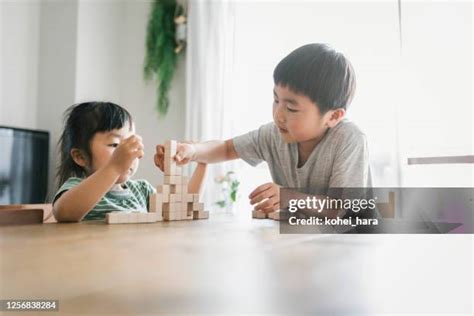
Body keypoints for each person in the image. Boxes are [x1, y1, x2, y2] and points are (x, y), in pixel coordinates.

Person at [154, 43, 371, 214]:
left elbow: (343, 209)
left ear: (333, 116)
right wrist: (192, 152)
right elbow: (226, 149)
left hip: (351, 244)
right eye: (276, 100)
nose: (278, 114)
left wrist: (289, 197)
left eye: (292, 108)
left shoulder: (349, 139)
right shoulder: (274, 134)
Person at [53, 102, 206, 222]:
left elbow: (184, 209)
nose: (126, 153)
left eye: (130, 144)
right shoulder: (76, 187)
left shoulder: (141, 190)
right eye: (114, 145)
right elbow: (65, 214)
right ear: (80, 157)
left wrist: (201, 161)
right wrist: (114, 167)